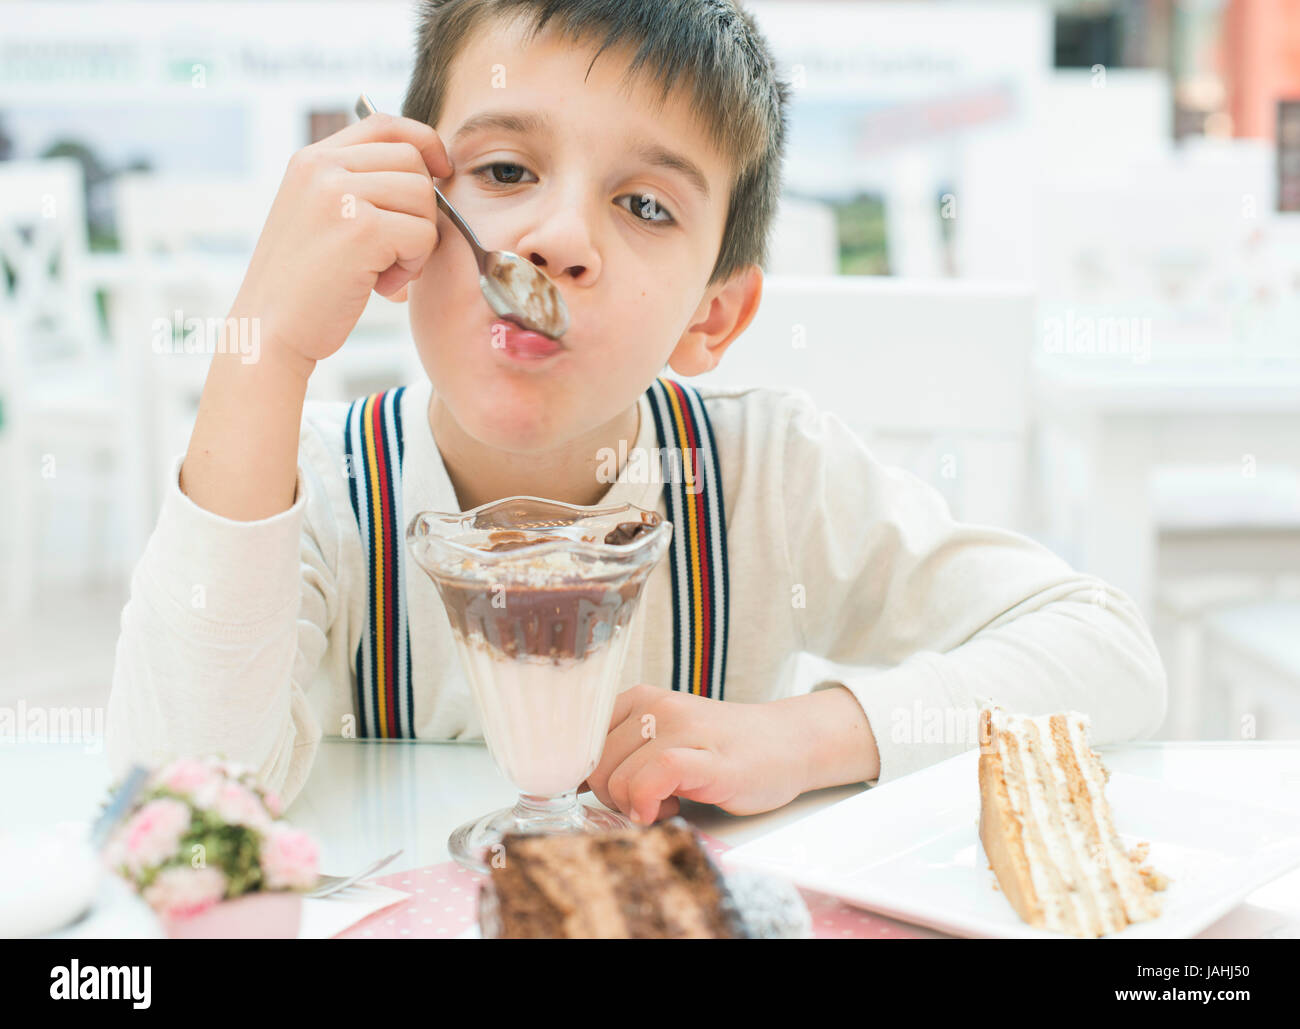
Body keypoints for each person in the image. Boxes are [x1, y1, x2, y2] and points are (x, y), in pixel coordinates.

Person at [107, 0, 1165, 824]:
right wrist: (264, 352)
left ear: (712, 316)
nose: (560, 237)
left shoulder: (764, 479)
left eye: (645, 204)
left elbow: (1106, 654)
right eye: (506, 168)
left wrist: (801, 738)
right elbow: (186, 807)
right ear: (415, 216)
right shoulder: (315, 493)